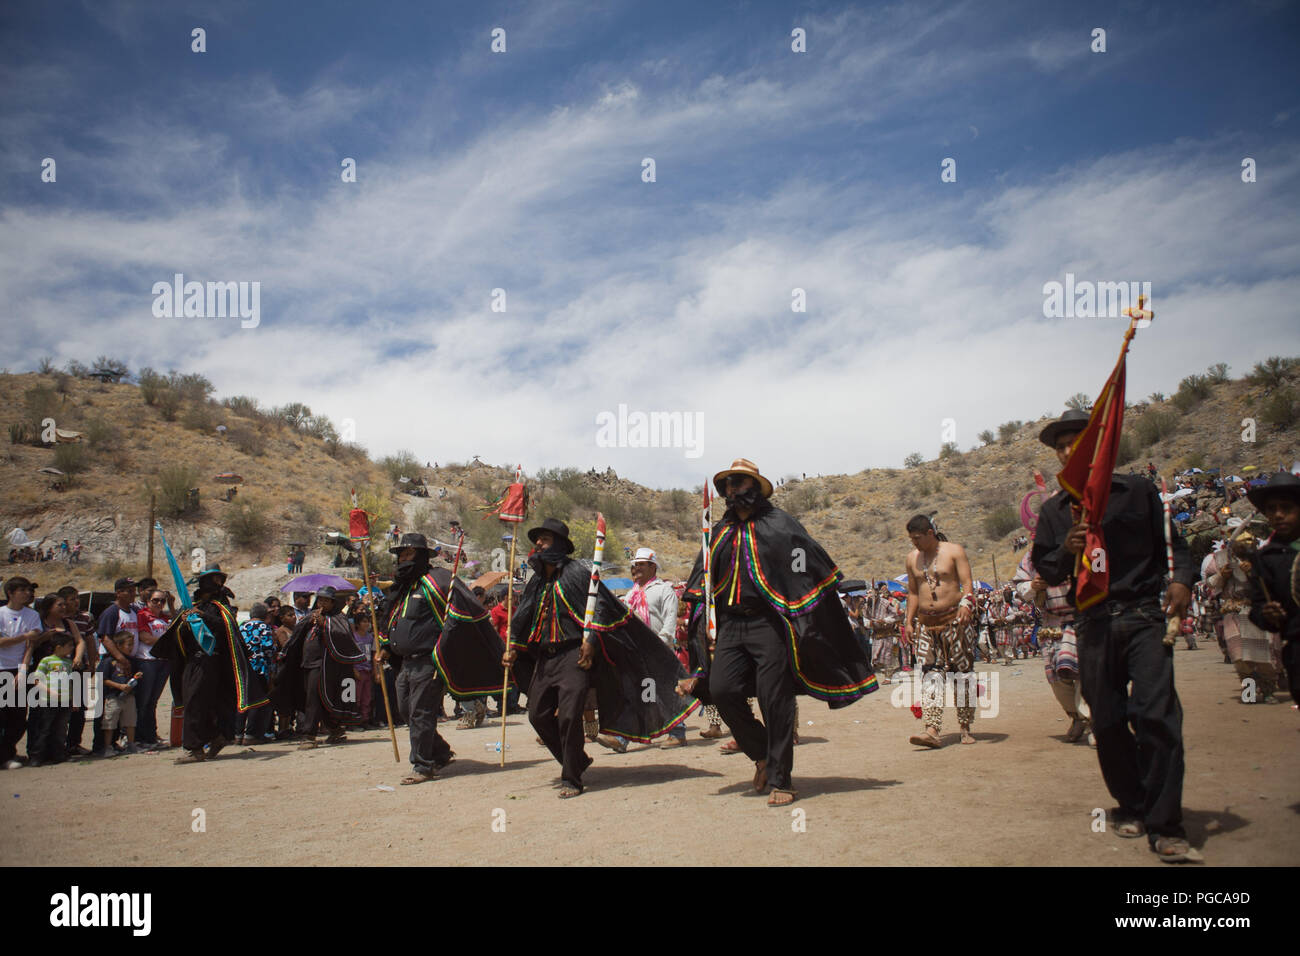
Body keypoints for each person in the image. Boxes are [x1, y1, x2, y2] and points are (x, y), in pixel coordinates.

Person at [1032, 409, 1197, 863]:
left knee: (1157, 716)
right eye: (1061, 445)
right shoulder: (1053, 512)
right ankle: (1132, 804)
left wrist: (1181, 580)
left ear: (1098, 444)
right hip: (1093, 624)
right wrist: (1066, 550)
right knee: (1107, 721)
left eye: (1077, 441)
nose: (1068, 450)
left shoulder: (1137, 491)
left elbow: (1173, 546)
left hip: (1144, 615)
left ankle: (1166, 825)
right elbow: (1044, 570)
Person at [678, 460, 877, 807]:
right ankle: (761, 755)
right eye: (727, 485)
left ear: (753, 486)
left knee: (775, 697)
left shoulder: (780, 525)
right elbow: (702, 579)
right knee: (722, 690)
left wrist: (802, 614)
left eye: (737, 483)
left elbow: (807, 566)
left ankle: (782, 779)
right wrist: (696, 614)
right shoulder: (718, 533)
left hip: (768, 624)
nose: (731, 491)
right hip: (730, 626)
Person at [503, 518, 693, 798]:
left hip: (574, 654)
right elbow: (523, 615)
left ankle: (571, 777)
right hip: (546, 657)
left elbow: (601, 607)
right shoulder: (537, 582)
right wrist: (513, 647)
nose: (538, 544)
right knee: (537, 715)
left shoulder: (578, 574)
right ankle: (578, 759)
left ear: (557, 544)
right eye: (538, 540)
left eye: (544, 539)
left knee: (569, 716)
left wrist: (591, 640)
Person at [151, 565, 269, 764]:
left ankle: (194, 748)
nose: (215, 583)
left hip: (212, 660)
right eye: (212, 579)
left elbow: (227, 629)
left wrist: (202, 617)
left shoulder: (221, 606)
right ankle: (215, 736)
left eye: (218, 579)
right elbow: (178, 631)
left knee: (198, 702)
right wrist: (185, 621)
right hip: (192, 660)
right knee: (194, 702)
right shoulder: (191, 604)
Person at [904, 515, 979, 748]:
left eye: (917, 538)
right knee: (929, 676)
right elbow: (914, 593)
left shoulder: (954, 551)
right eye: (911, 539)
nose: (914, 543)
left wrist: (967, 603)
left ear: (929, 533)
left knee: (962, 675)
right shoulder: (912, 559)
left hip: (955, 621)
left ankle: (965, 727)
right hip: (926, 625)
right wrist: (908, 620)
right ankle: (932, 729)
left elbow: (967, 583)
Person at [1014, 549, 1091, 742]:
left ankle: (1092, 720)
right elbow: (1020, 587)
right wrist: (1033, 585)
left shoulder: (1084, 546)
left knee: (1086, 673)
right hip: (1052, 625)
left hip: (1084, 619)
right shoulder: (1034, 555)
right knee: (1056, 678)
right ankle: (1076, 717)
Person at [280, 587, 364, 749]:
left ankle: (309, 735)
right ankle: (335, 730)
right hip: (307, 664)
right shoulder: (310, 617)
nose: (322, 603)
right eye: (320, 600)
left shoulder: (339, 618)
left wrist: (325, 624)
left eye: (326, 600)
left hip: (326, 666)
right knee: (316, 698)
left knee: (314, 697)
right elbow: (297, 635)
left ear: (333, 602)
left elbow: (344, 636)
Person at [620, 547, 685, 749]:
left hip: (659, 650)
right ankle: (624, 738)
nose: (635, 569)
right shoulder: (630, 594)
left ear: (652, 566)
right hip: (637, 651)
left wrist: (661, 641)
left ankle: (677, 732)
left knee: (665, 692)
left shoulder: (664, 590)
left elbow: (669, 620)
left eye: (640, 565)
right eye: (634, 565)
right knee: (639, 693)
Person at [1244, 472, 1300, 706]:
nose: (1278, 514)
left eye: (1286, 507)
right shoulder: (1265, 558)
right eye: (1271, 509)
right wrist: (1266, 614)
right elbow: (1257, 608)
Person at [0, 577, 43, 768]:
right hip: (2, 669)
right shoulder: (1, 614)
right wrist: (24, 636)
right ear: (11, 592)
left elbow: (31, 645)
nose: (28, 594)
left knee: (17, 717)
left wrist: (23, 668)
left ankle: (8, 753)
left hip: (19, 670)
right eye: (23, 590)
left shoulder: (31, 615)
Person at [28, 631, 79, 766]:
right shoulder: (47, 660)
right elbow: (37, 679)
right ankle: (37, 756)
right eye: (69, 645)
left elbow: (70, 682)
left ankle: (58, 754)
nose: (72, 648)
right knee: (44, 729)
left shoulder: (68, 662)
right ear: (58, 647)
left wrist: (73, 700)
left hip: (65, 701)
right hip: (48, 701)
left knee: (61, 729)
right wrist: (50, 692)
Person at [133, 589, 173, 748]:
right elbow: (145, 637)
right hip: (148, 661)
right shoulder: (143, 615)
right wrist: (165, 643)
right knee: (144, 701)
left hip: (163, 661)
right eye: (155, 600)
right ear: (148, 601)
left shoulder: (164, 617)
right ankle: (140, 737)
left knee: (153, 701)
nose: (158, 604)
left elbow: (176, 620)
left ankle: (151, 735)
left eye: (162, 601)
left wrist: (171, 604)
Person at [236, 603, 277, 744]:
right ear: (265, 616)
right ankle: (251, 735)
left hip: (243, 669)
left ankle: (238, 735)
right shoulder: (264, 627)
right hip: (259, 669)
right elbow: (268, 649)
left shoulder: (242, 626)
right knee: (257, 701)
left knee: (244, 702)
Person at [97, 632, 139, 757]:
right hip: (113, 696)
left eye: (132, 644)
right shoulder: (108, 661)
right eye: (128, 645)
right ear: (118, 645)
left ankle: (131, 744)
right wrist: (119, 686)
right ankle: (108, 746)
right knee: (110, 722)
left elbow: (134, 675)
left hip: (129, 695)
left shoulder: (131, 661)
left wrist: (136, 678)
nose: (131, 647)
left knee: (131, 721)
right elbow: (102, 679)